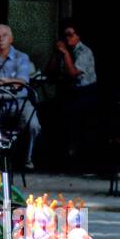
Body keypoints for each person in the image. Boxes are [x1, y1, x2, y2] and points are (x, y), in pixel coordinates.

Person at [0, 24, 41, 168]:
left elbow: (21, 82)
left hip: (18, 102)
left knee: (33, 125)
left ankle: (27, 160)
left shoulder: (22, 57)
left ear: (11, 39)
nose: (0, 39)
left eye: (4, 35)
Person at [47, 20, 98, 168]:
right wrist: (55, 54)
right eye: (65, 36)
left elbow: (73, 72)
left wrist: (65, 53)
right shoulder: (64, 51)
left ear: (78, 36)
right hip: (69, 92)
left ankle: (80, 160)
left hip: (85, 93)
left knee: (78, 125)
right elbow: (49, 72)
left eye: (70, 35)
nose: (67, 39)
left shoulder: (84, 52)